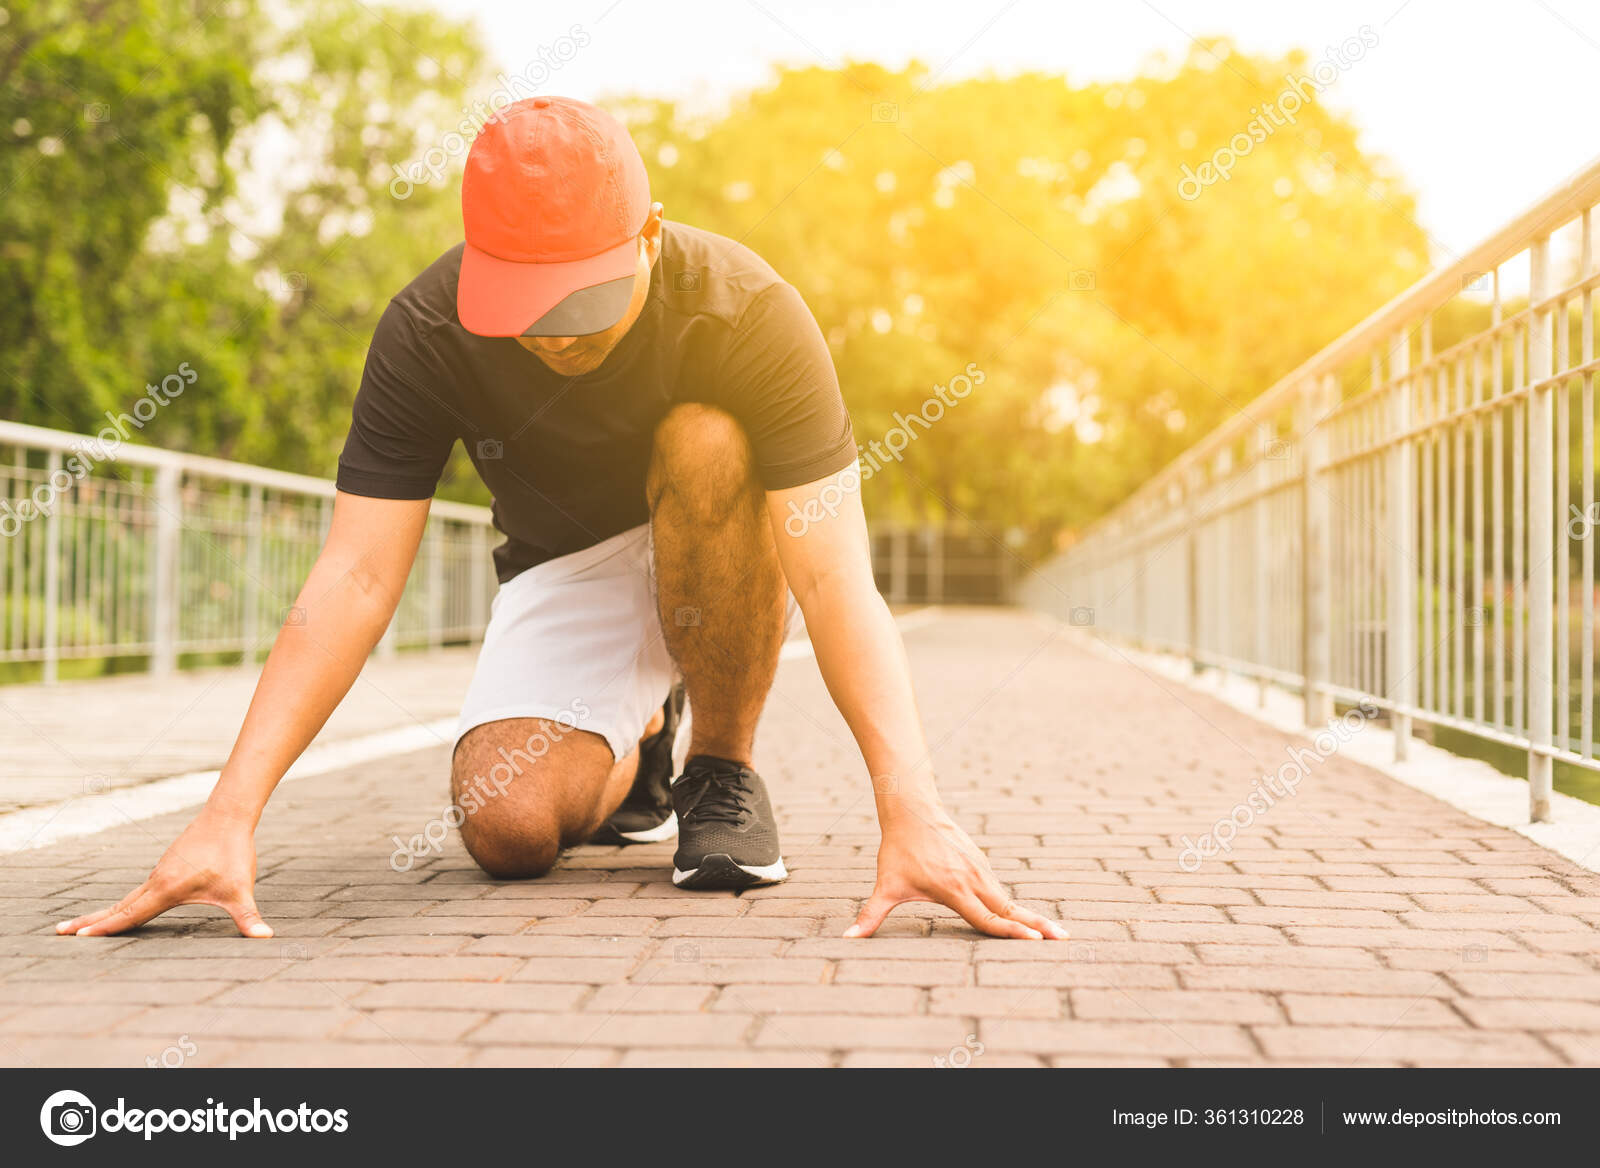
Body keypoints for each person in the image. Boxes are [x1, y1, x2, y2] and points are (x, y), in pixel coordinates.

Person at [57, 97, 1067, 943]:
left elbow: (837, 577)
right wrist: (228, 816)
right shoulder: (425, 328)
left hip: (724, 531)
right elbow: (356, 577)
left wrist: (911, 808)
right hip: (567, 564)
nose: (549, 334)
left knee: (709, 438)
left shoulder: (748, 311)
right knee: (502, 828)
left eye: (580, 298)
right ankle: (638, 761)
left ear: (649, 236)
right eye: (523, 302)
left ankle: (717, 766)